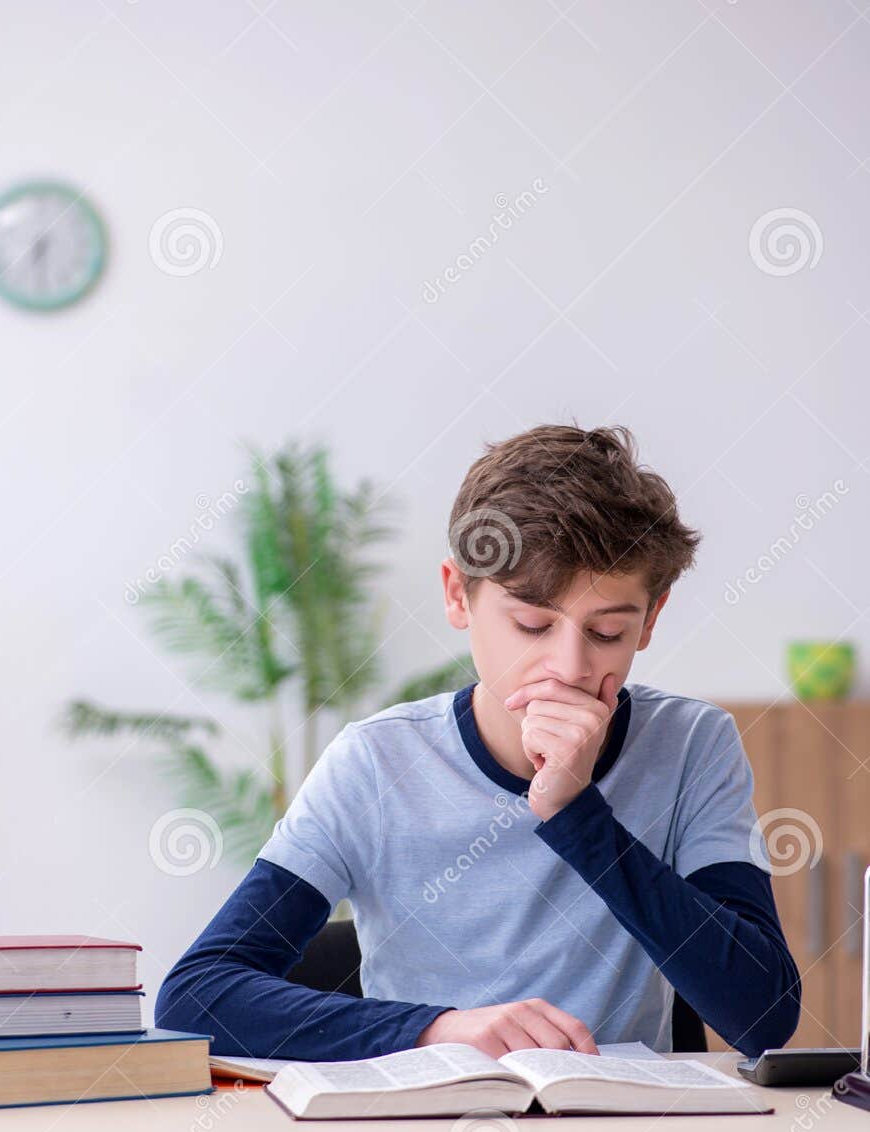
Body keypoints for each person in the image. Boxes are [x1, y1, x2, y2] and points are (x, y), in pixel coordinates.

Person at [155, 423, 801, 1061]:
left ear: (650, 620)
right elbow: (197, 996)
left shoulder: (692, 745)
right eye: (531, 624)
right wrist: (438, 1031)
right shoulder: (376, 763)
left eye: (607, 632)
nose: (569, 667)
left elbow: (764, 1018)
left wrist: (577, 813)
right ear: (458, 596)